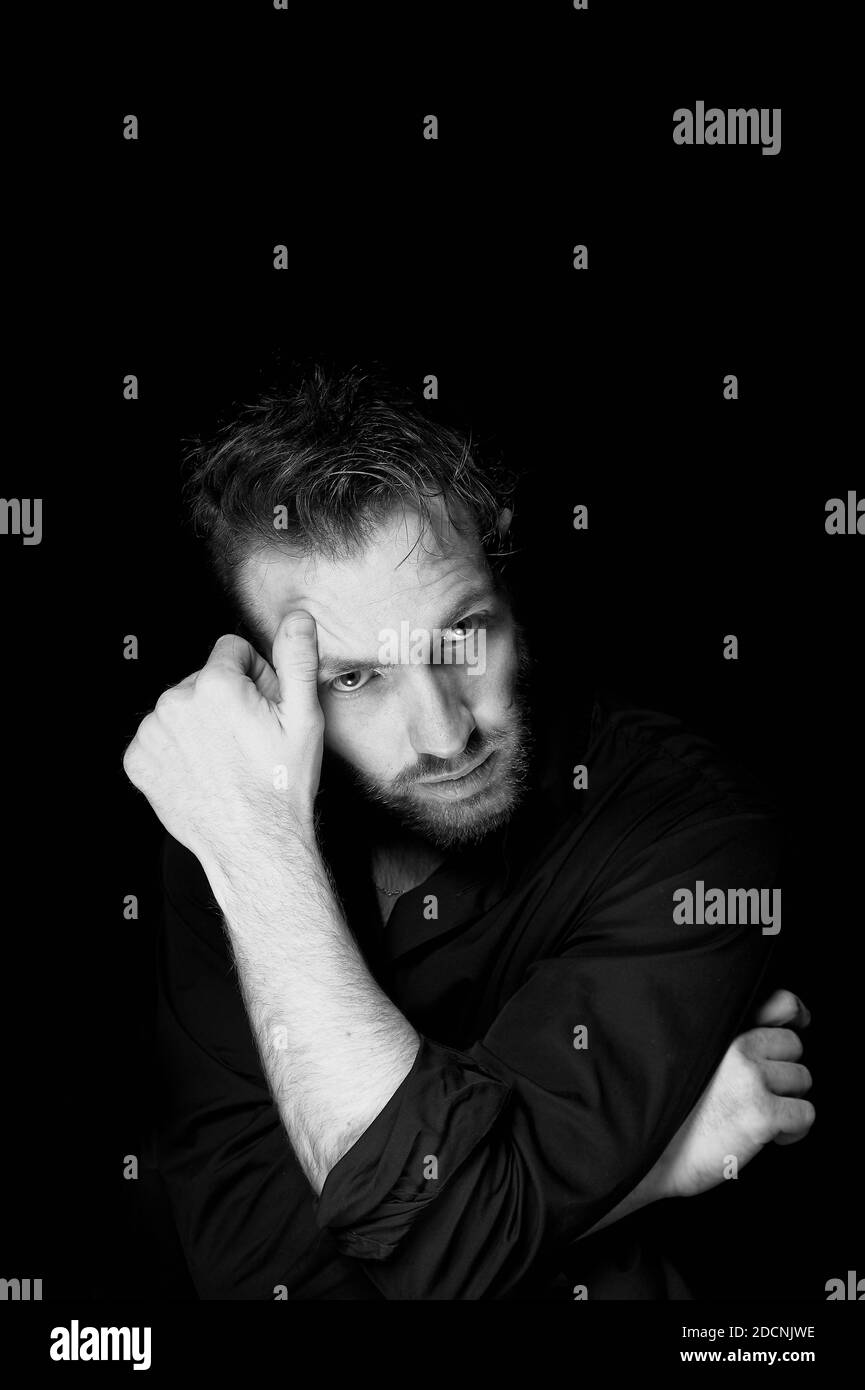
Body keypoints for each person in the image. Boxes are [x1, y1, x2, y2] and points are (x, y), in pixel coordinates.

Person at [123, 365, 814, 1299]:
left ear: (509, 597)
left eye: (461, 636)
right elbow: (259, 1277)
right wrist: (646, 1174)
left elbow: (434, 1248)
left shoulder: (691, 835)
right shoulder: (236, 824)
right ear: (267, 687)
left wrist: (490, 1222)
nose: (448, 734)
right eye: (354, 679)